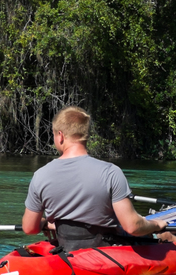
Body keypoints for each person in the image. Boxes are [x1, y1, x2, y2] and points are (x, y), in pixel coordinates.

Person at [21, 107, 163, 252]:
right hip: (107, 253)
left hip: (67, 250)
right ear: (86, 136)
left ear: (60, 136)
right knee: (166, 236)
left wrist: (44, 223)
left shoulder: (40, 175)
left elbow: (29, 228)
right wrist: (156, 224)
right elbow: (132, 226)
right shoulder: (111, 172)